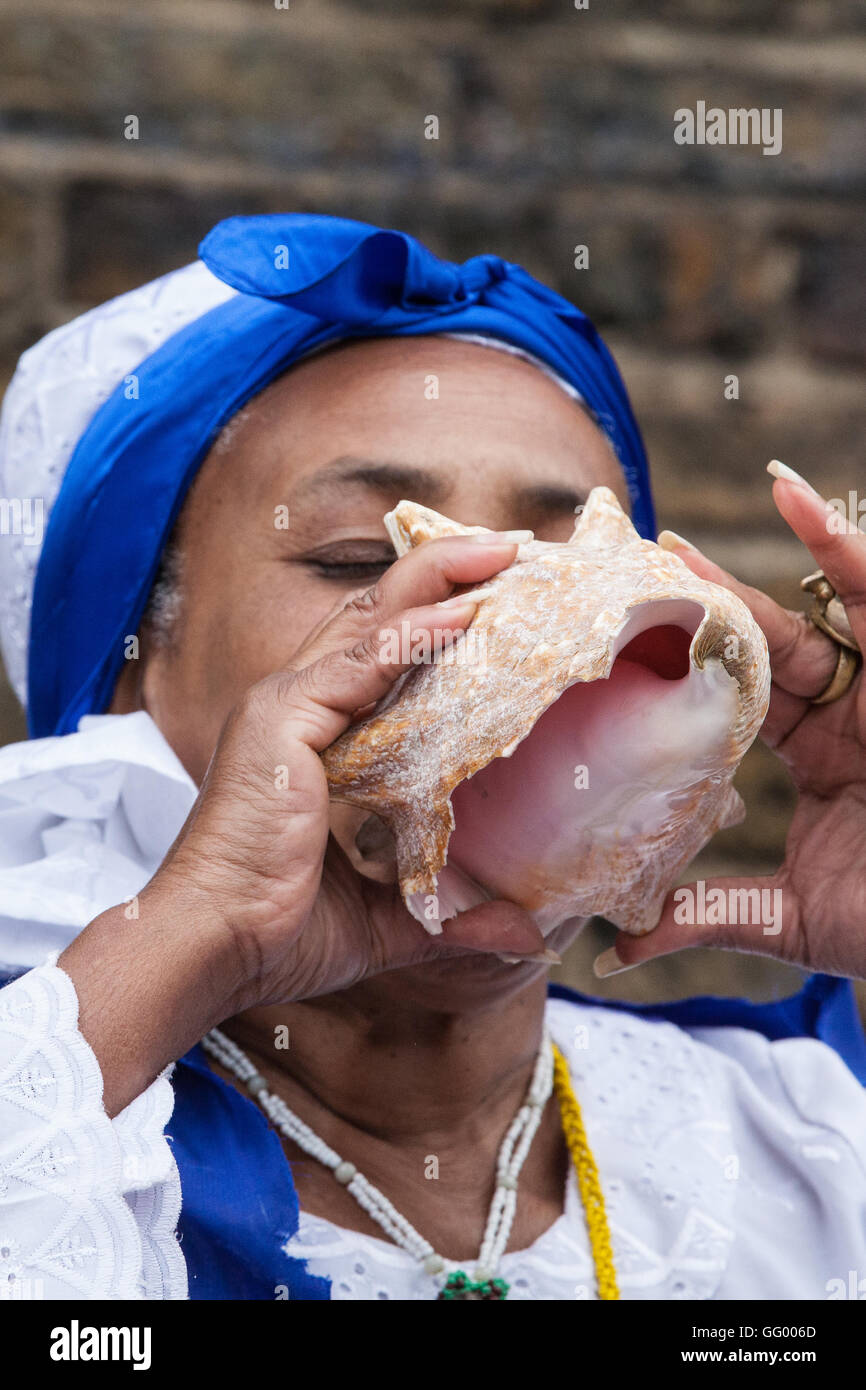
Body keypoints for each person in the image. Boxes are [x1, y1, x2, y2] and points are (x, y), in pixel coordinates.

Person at [0, 214, 864, 1302]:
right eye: (358, 557)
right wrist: (197, 931)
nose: (484, 608)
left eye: (562, 561)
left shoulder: (799, 1139)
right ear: (130, 666)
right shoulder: (56, 1131)